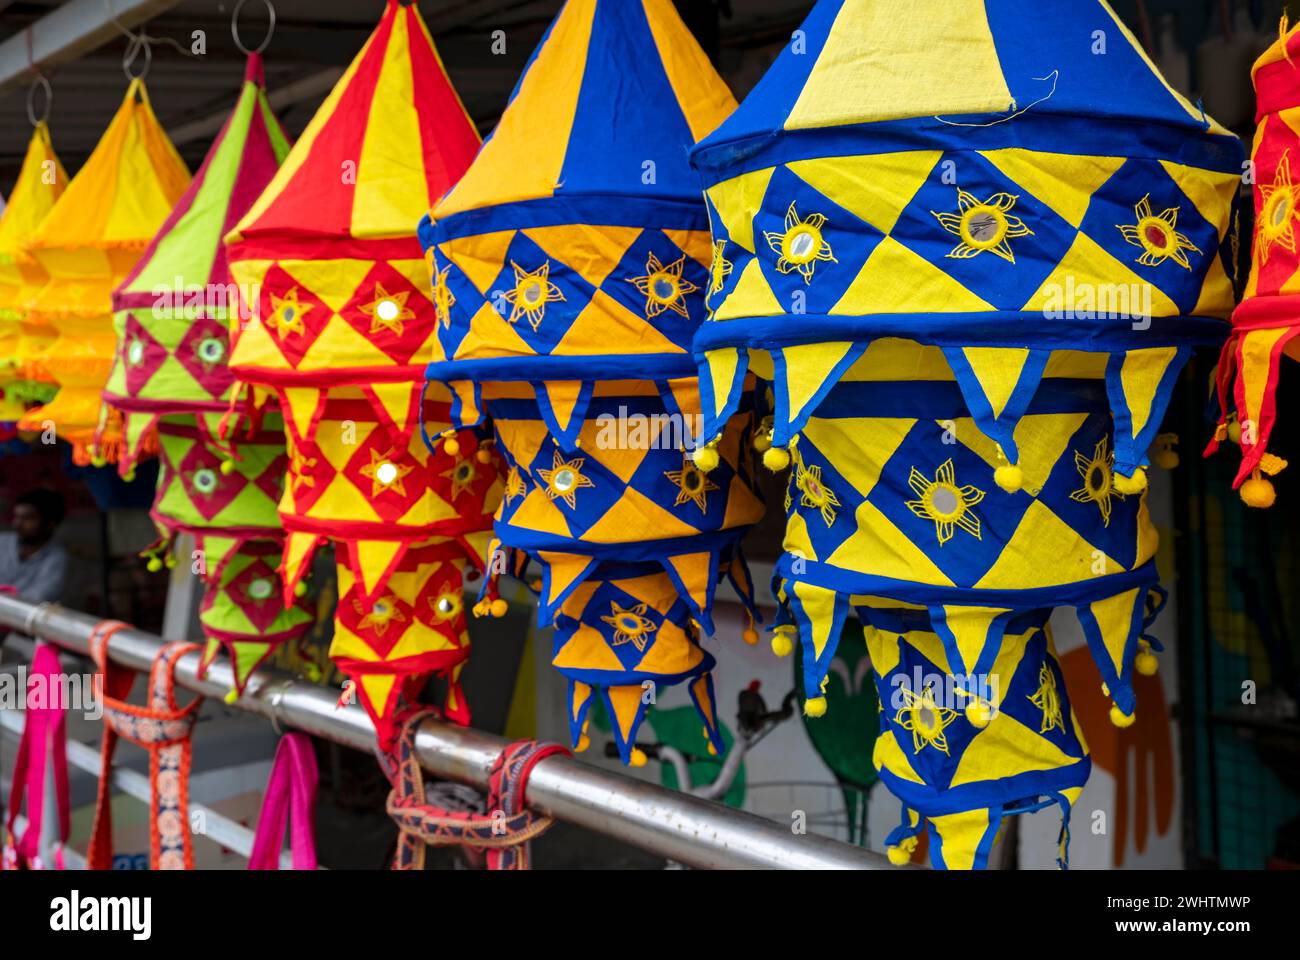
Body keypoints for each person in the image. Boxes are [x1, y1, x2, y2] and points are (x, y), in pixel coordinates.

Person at [0, 488, 69, 603]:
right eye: (16, 516)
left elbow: (38, 599)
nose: (17, 524)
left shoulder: (57, 560)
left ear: (50, 524)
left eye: (28, 518)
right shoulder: (2, 542)